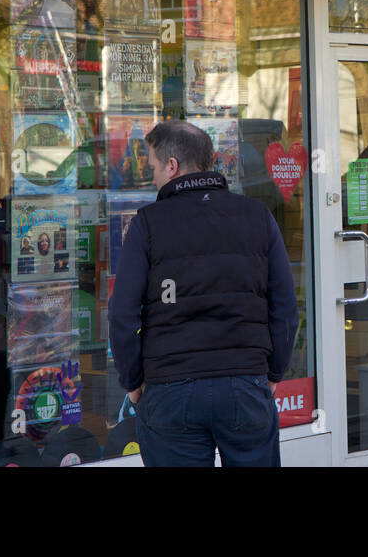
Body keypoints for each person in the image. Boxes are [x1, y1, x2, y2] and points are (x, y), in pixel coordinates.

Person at [109, 120, 298, 467]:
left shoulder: (148, 223)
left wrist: (133, 383)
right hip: (245, 384)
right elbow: (285, 308)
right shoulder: (257, 216)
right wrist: (273, 373)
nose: (152, 178)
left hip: (170, 390)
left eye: (152, 167)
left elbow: (122, 314)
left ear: (172, 166)